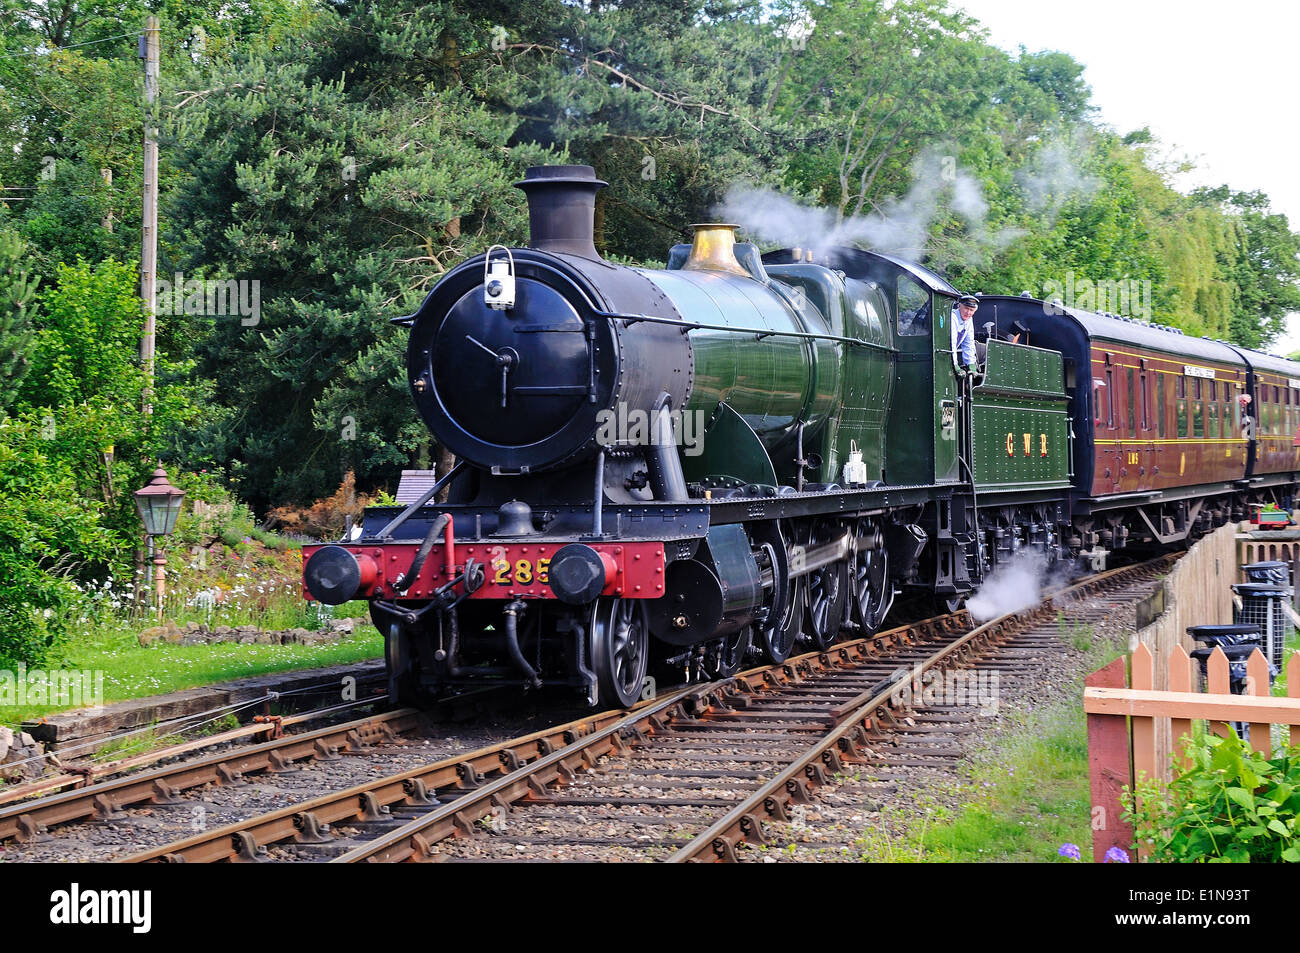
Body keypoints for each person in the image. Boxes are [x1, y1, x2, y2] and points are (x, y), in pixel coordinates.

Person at [952, 294, 979, 372]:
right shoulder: (953, 317)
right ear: (959, 306)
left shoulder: (969, 319)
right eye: (966, 308)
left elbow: (968, 343)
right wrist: (955, 365)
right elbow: (952, 342)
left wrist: (971, 364)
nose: (968, 312)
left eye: (971, 310)